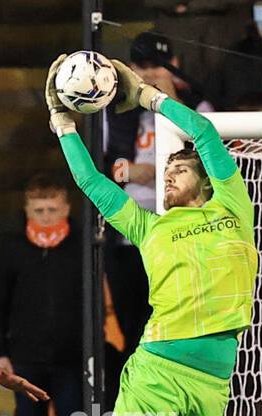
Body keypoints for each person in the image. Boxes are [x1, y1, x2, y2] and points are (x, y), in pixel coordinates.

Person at [37, 56, 258, 416]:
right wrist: (63, 125)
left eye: (178, 172)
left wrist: (150, 96)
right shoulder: (148, 227)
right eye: (164, 173)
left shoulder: (234, 209)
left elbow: (206, 133)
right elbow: (89, 183)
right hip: (158, 371)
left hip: (212, 384)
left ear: (205, 182)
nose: (167, 178)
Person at [103, 32, 212, 371]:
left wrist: (172, 97)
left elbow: (214, 155)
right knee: (132, 325)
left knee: (173, 322)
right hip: (129, 236)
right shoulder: (113, 110)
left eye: (158, 66)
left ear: (175, 66)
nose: (149, 75)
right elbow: (103, 164)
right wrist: (129, 171)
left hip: (184, 234)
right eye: (142, 67)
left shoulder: (199, 105)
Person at [0, 174, 84, 416]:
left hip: (71, 358)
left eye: (52, 209)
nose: (46, 216)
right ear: (27, 210)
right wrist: (0, 352)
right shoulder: (12, 248)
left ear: (66, 208)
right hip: (25, 358)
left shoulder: (82, 247)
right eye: (39, 210)